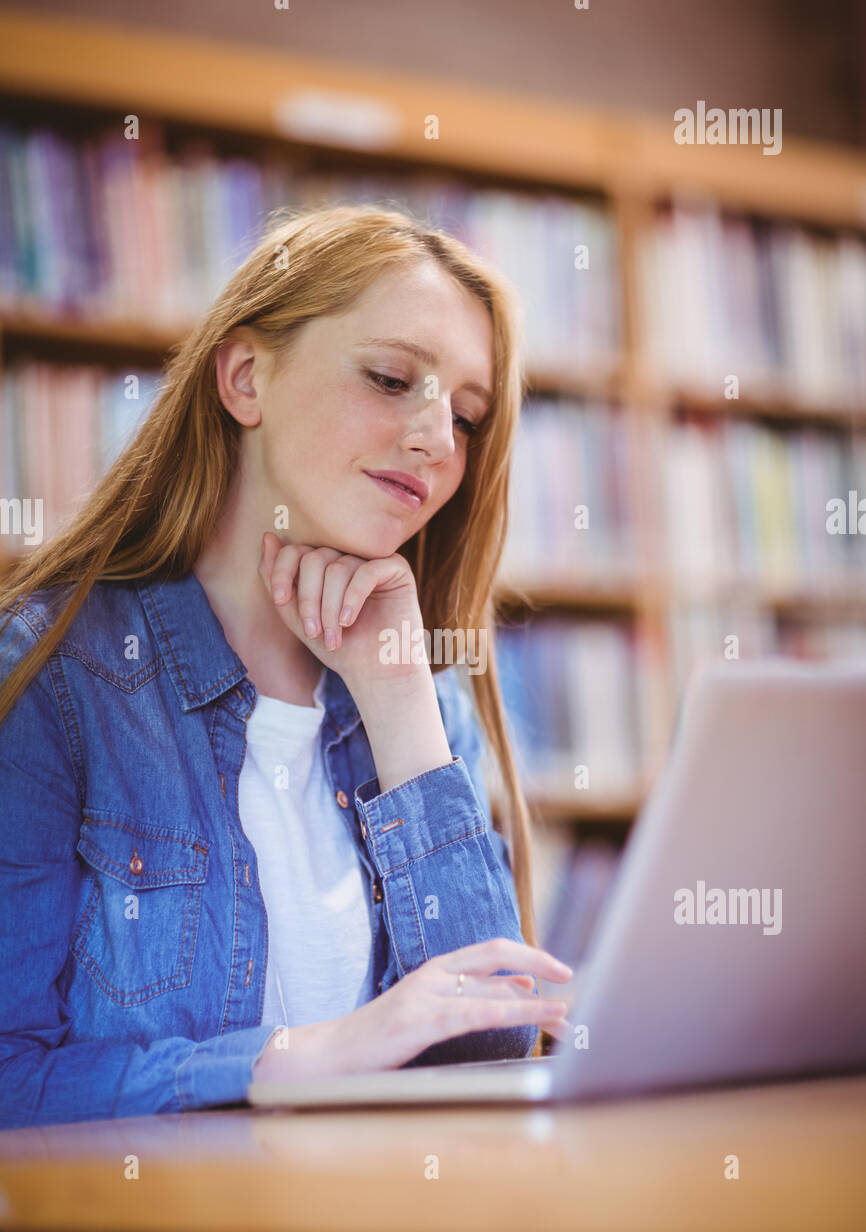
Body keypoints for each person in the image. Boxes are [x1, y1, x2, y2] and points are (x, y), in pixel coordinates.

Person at [0, 203, 571, 1129]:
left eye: (466, 417)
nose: (436, 440)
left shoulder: (424, 697)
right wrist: (308, 1057)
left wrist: (397, 697)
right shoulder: (51, 681)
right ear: (245, 376)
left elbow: (490, 1050)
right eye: (392, 379)